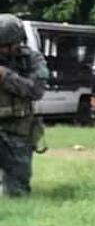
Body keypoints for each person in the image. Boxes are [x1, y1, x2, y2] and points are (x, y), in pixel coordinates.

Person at [0, 13, 48, 197]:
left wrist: (6, 77)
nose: (2, 50)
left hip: (18, 129)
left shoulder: (32, 60)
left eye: (5, 46)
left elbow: (36, 91)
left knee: (17, 189)